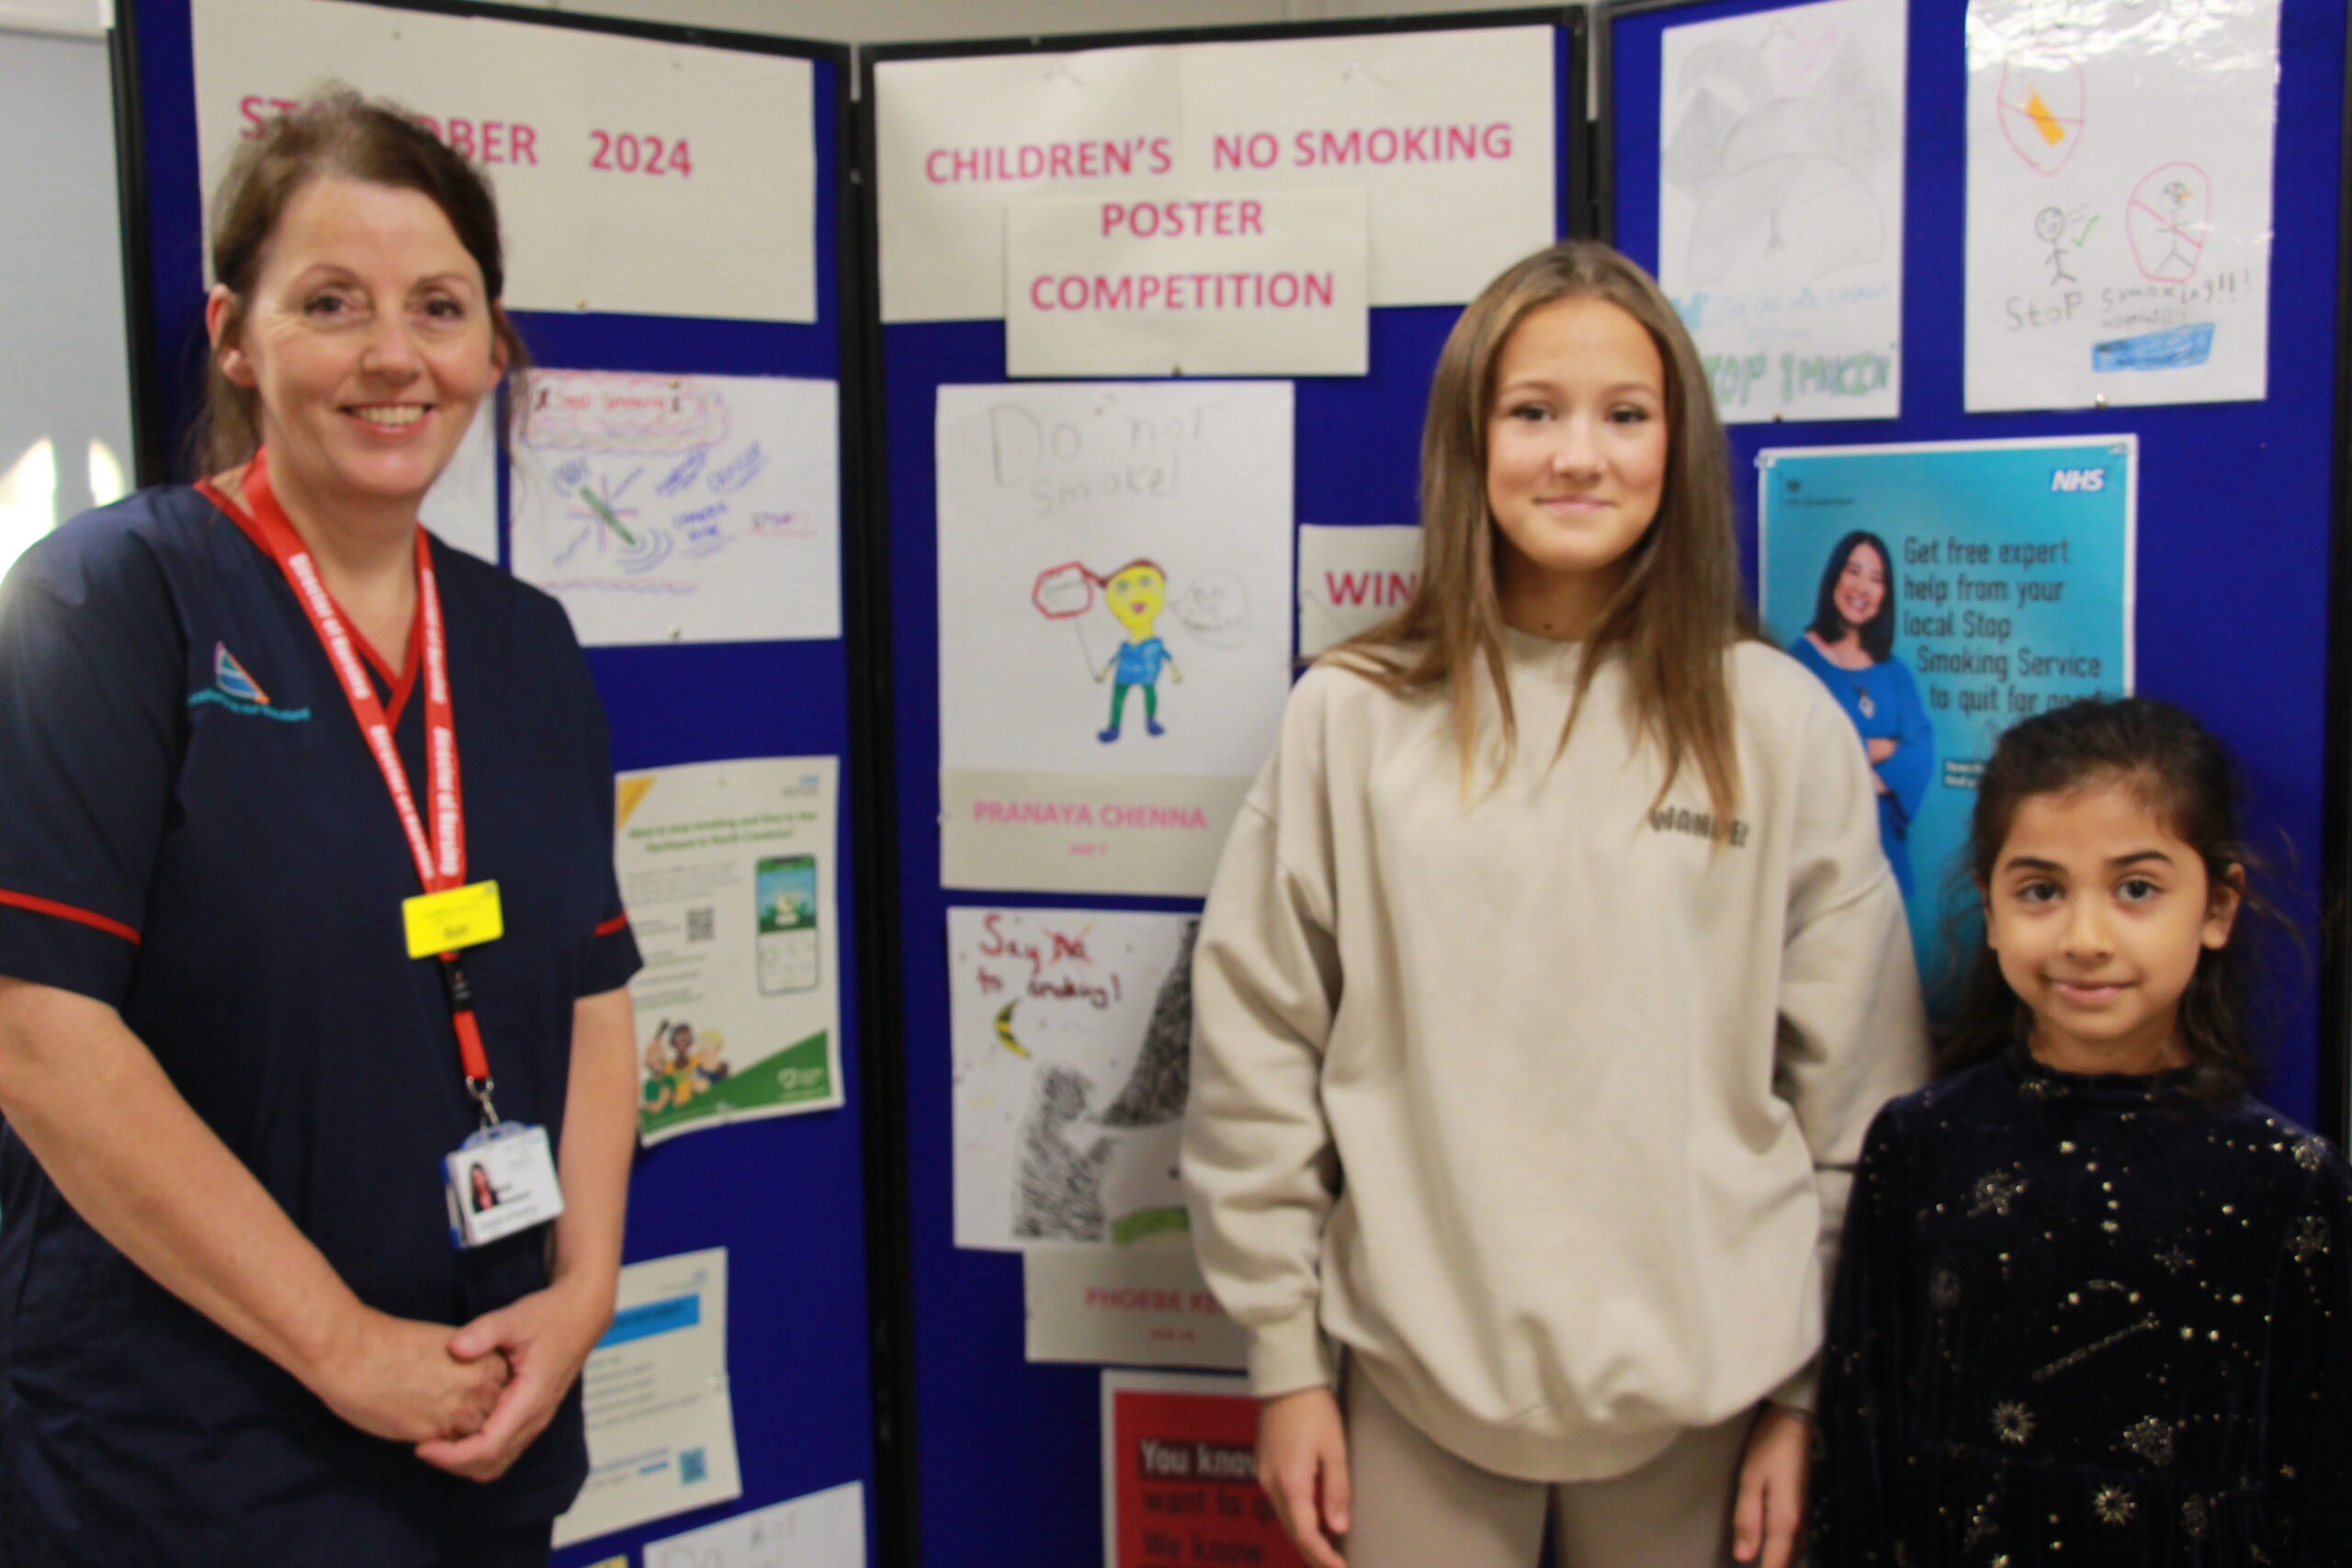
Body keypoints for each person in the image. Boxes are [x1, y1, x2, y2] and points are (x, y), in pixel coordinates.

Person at [1182, 240, 1929, 1568]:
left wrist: (1810, 1389)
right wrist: (1286, 1359)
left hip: (1709, 1388)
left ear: (1677, 444)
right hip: (1415, 1385)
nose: (1578, 454)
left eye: (1624, 414)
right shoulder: (1351, 718)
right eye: (1534, 411)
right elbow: (1256, 1050)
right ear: (1471, 441)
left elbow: (1858, 1090)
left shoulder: (1778, 721)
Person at [0, 92, 639, 1567]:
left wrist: (584, 1288)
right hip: (187, 1453)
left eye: (438, 304)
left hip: (485, 1407)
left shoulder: (524, 641)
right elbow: (39, 1030)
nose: (393, 356)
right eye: (331, 303)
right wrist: (345, 1343)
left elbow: (595, 993)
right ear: (235, 334)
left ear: (492, 343)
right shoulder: (108, 604)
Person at [1812, 696, 2352, 1563]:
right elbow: (1861, 1444)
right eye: (2041, 891)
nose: (2085, 936)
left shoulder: (2288, 1180)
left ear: (2217, 906)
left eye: (2137, 888)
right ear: (1988, 906)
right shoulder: (1920, 1144)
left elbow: (2321, 1480)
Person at [1787, 530, 1933, 895]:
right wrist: (1878, 747)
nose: (1863, 588)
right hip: (1820, 858)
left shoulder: (1893, 672)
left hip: (1885, 857)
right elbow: (1796, 753)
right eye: (1854, 572)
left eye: (1876, 579)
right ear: (1835, 577)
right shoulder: (1797, 662)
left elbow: (1921, 748)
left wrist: (1864, 775)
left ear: (1885, 595)